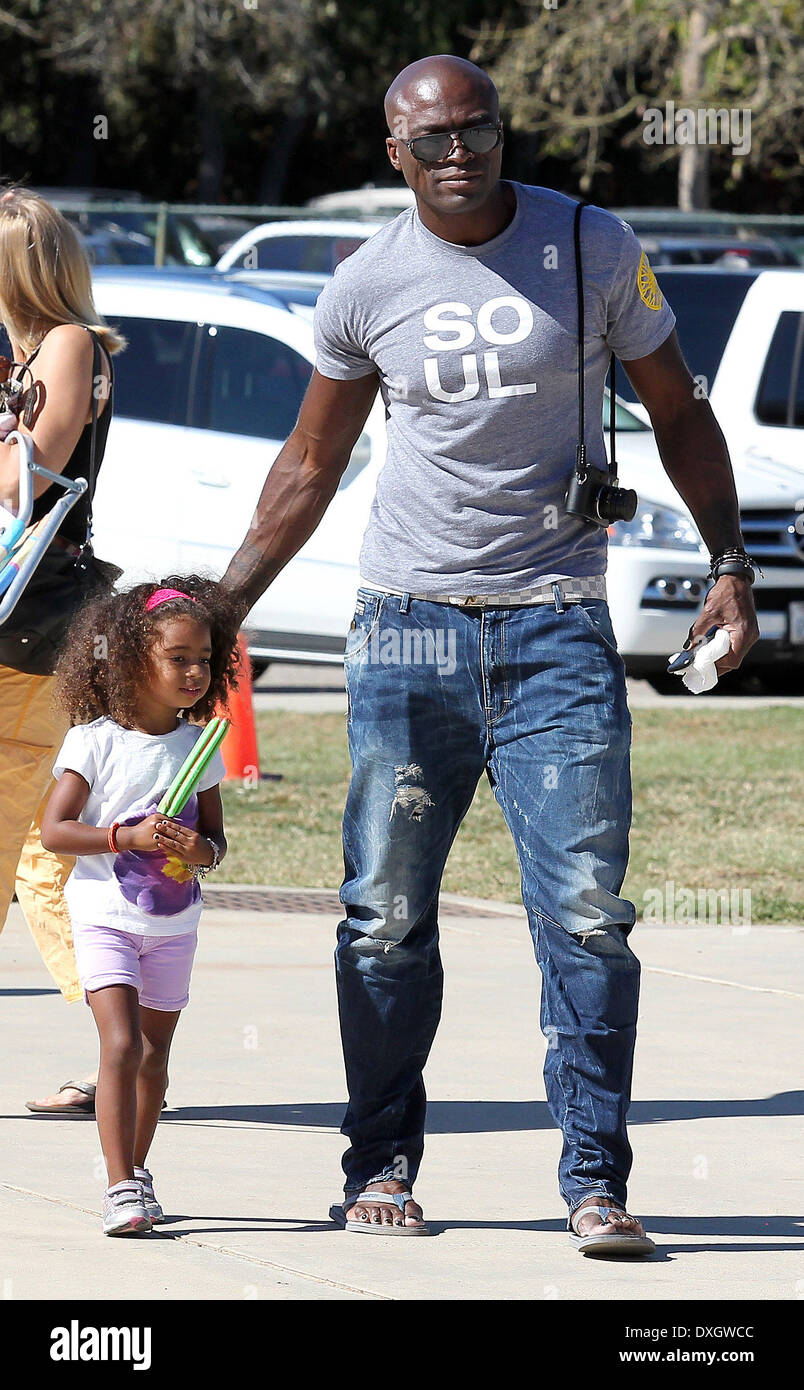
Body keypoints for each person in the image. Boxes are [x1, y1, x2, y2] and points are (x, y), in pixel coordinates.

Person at [222, 55, 758, 1253]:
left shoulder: (592, 243)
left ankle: (595, 1180)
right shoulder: (365, 283)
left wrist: (730, 560)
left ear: (504, 134)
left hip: (556, 623)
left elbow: (678, 408)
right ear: (394, 154)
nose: (458, 152)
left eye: (478, 130)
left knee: (586, 913)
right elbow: (310, 462)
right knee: (383, 913)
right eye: (433, 138)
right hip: (406, 621)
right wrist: (223, 605)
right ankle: (379, 1165)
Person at [41, 577, 240, 1235]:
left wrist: (199, 849)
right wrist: (123, 839)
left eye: (204, 658)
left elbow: (215, 842)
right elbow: (55, 831)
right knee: (121, 1044)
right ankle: (119, 1183)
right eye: (178, 658)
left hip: (174, 922)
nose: (195, 672)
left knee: (154, 1057)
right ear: (131, 660)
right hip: (104, 914)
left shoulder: (199, 746)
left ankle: (139, 1170)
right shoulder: (94, 741)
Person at [0, 184, 126, 1112]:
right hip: (36, 628)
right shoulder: (27, 355)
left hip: (34, 629)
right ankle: (127, 1049)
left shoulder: (67, 345)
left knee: (32, 845)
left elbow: (29, 479)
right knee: (48, 856)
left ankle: (130, 1050)